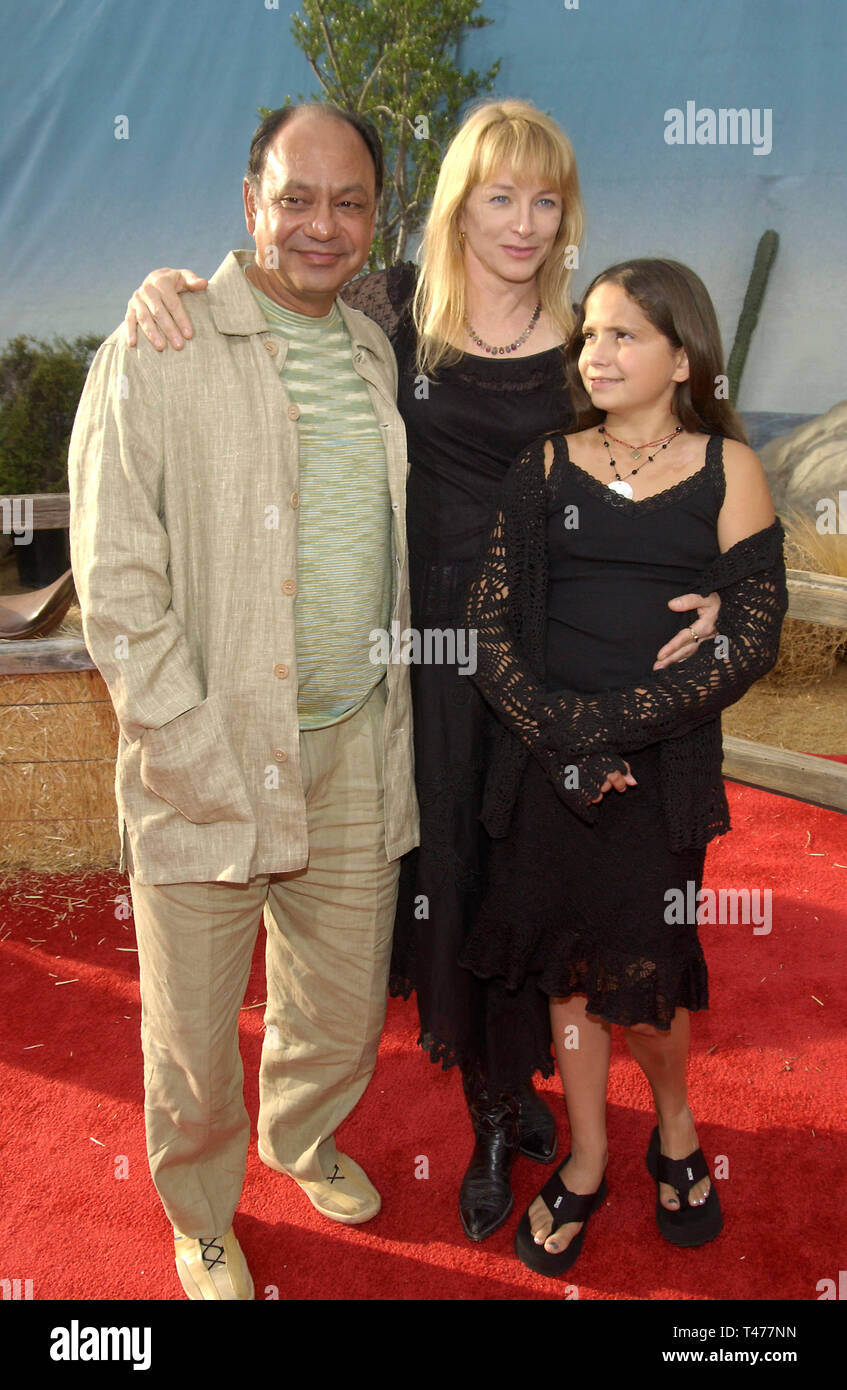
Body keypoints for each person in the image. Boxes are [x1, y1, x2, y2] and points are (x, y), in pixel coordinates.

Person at [124, 100, 720, 1243]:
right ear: (456, 203)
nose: (524, 221)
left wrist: (716, 576)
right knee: (454, 877)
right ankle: (497, 1108)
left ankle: (548, 1103)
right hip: (427, 662)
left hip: (552, 659)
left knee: (541, 887)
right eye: (499, 194)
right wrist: (172, 286)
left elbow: (675, 430)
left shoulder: (588, 334)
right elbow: (271, 288)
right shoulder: (389, 309)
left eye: (546, 200)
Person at [69, 104, 418, 1300]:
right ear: (249, 202)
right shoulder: (155, 348)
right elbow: (116, 591)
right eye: (295, 198)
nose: (321, 226)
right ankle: (203, 1218)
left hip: (356, 745)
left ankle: (302, 1136)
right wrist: (187, 752)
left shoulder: (372, 353)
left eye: (350, 202)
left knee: (342, 997)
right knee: (193, 1031)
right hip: (206, 759)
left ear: (376, 217)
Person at [462, 258, 787, 1276]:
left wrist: (621, 729)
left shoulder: (728, 467)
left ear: (680, 356)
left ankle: (677, 1124)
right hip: (548, 763)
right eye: (587, 335)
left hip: (660, 772)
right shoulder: (544, 462)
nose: (594, 353)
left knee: (642, 985)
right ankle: (593, 1156)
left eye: (621, 336)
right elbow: (489, 626)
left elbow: (754, 632)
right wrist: (565, 736)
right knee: (566, 979)